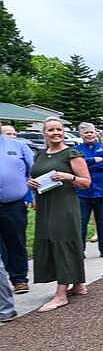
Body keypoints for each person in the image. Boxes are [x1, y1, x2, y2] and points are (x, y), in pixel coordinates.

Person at [28, 117, 92, 312]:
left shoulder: (71, 154)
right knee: (51, 240)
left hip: (64, 205)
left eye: (59, 129)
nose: (55, 133)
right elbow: (34, 176)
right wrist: (31, 184)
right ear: (44, 133)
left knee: (62, 241)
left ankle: (61, 294)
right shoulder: (40, 154)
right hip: (45, 204)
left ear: (64, 132)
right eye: (51, 130)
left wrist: (68, 176)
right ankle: (78, 284)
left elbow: (86, 182)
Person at [0, 119, 33, 308]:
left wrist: (32, 195)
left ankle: (19, 278)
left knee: (16, 241)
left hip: (13, 204)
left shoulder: (18, 146)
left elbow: (32, 172)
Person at [74, 122, 103, 259]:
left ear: (96, 133)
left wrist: (85, 165)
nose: (89, 134)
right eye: (86, 132)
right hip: (83, 192)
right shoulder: (76, 150)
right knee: (81, 222)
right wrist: (94, 160)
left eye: (91, 132)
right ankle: (80, 250)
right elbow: (74, 166)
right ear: (81, 135)